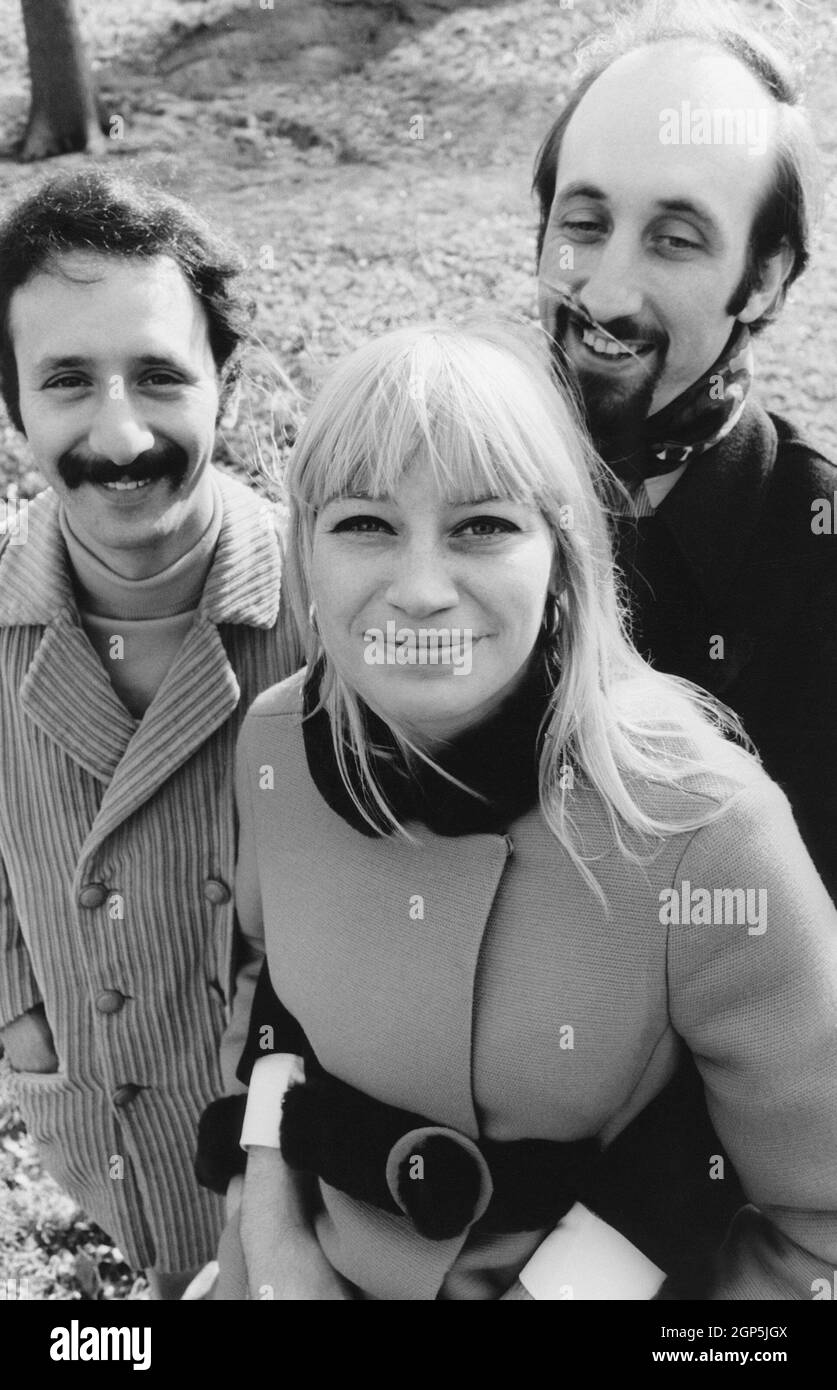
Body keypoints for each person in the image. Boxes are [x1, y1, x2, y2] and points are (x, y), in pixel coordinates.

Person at [199, 321, 837, 1300]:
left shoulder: (703, 825)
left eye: (483, 525)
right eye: (365, 523)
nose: (418, 591)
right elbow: (266, 992)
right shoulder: (277, 741)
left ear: (563, 559)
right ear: (307, 558)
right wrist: (266, 1227)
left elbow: (817, 1224)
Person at [0, 169, 300, 1298]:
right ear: (13, 403)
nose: (119, 434)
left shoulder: (328, 612)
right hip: (98, 1119)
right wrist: (21, 1014)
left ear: (225, 382)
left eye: (161, 376)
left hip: (305, 1168)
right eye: (68, 381)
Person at [534, 0, 837, 899]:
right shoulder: (451, 492)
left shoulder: (818, 558)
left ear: (766, 276)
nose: (607, 291)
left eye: (674, 240)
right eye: (582, 224)